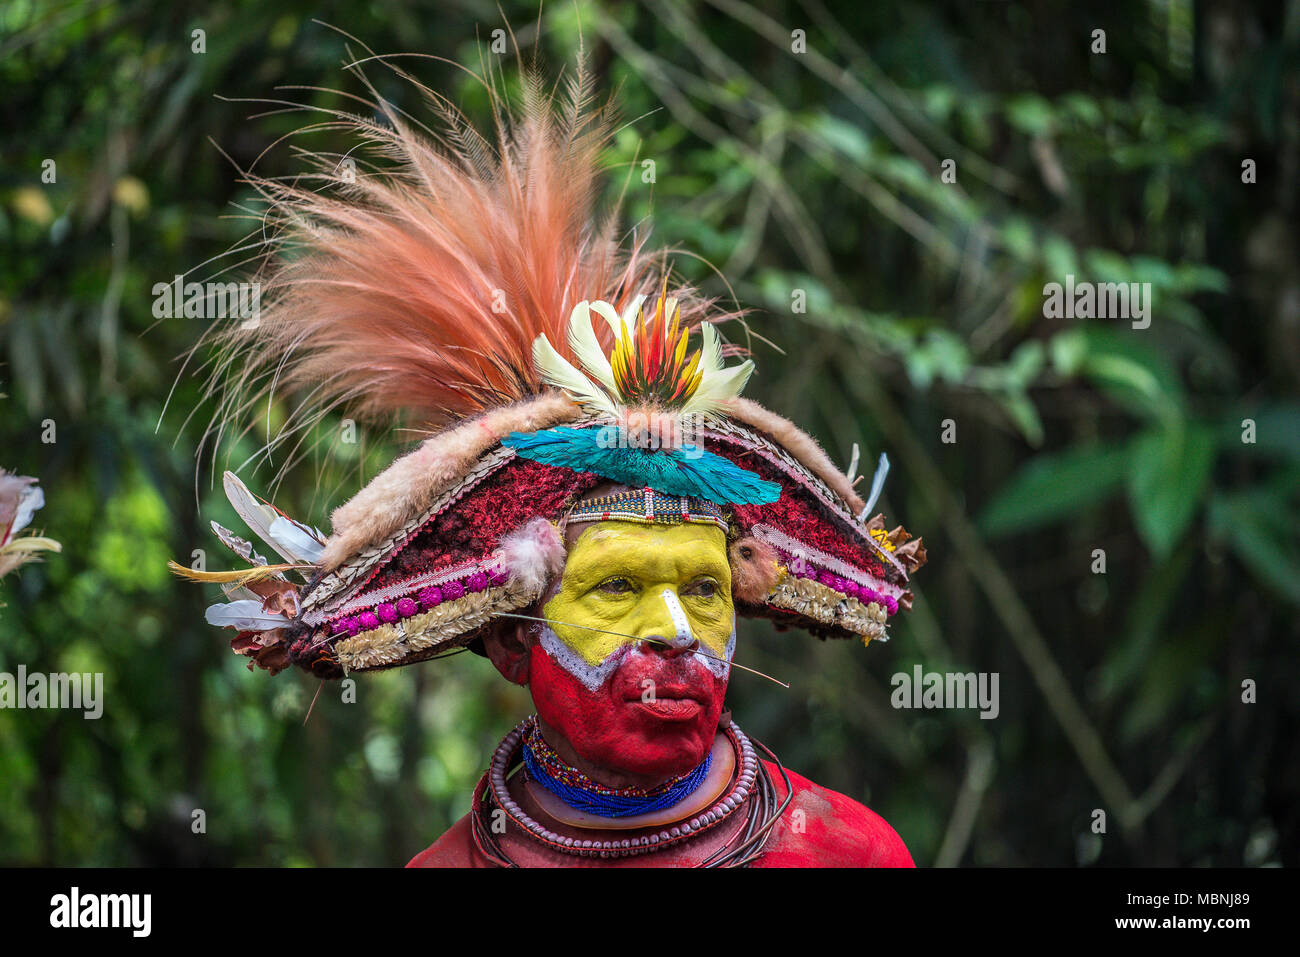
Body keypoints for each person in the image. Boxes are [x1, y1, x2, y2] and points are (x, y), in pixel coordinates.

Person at [176, 56, 926, 867]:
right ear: (510, 642)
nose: (677, 634)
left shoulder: (848, 852)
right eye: (619, 586)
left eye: (706, 589)